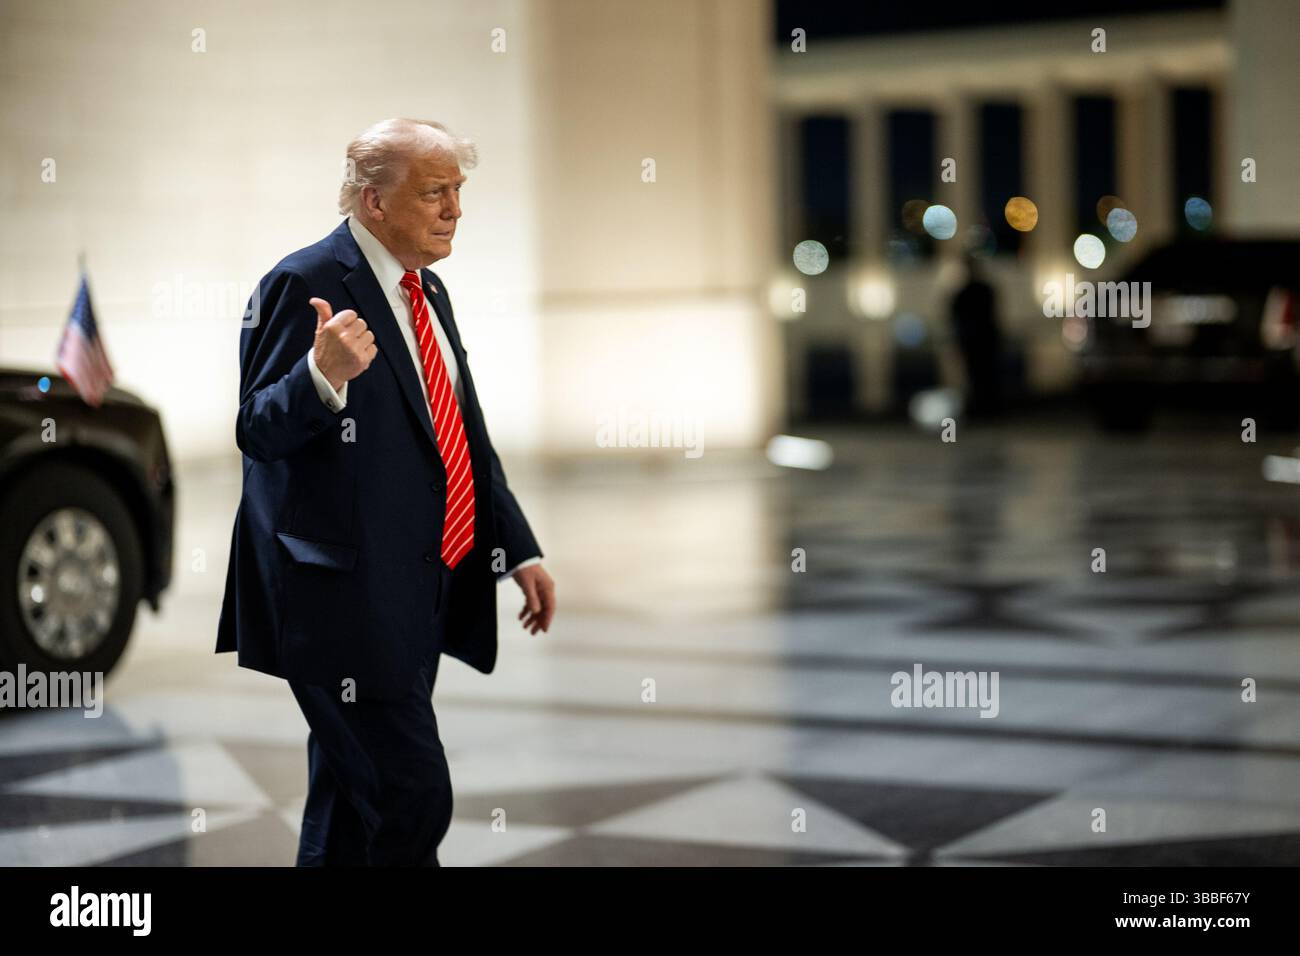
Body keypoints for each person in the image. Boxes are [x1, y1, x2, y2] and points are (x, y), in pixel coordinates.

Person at [215, 118, 556, 866]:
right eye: (436, 192)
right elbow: (256, 431)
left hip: (417, 590)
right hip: (339, 603)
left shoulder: (427, 288)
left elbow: (460, 435)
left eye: (458, 192)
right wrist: (320, 375)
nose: (454, 210)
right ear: (373, 201)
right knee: (411, 798)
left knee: (349, 810)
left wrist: (516, 548)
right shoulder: (303, 282)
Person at [949, 253, 1004, 419]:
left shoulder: (965, 294)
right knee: (982, 376)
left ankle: (984, 409)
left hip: (976, 342)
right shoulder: (982, 291)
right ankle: (986, 409)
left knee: (980, 376)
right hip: (980, 342)